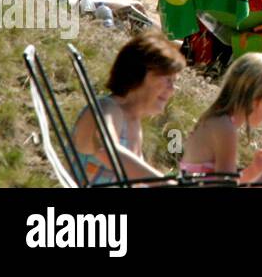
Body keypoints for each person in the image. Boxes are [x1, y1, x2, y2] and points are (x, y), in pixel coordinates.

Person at [70, 32, 185, 185]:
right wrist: (164, 184)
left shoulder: (134, 122)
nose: (172, 90)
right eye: (168, 80)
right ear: (144, 73)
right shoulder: (108, 108)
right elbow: (107, 149)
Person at [179, 54, 262, 183]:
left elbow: (226, 179)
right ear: (256, 101)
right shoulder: (224, 128)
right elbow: (224, 186)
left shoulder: (217, 120)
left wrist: (256, 169)